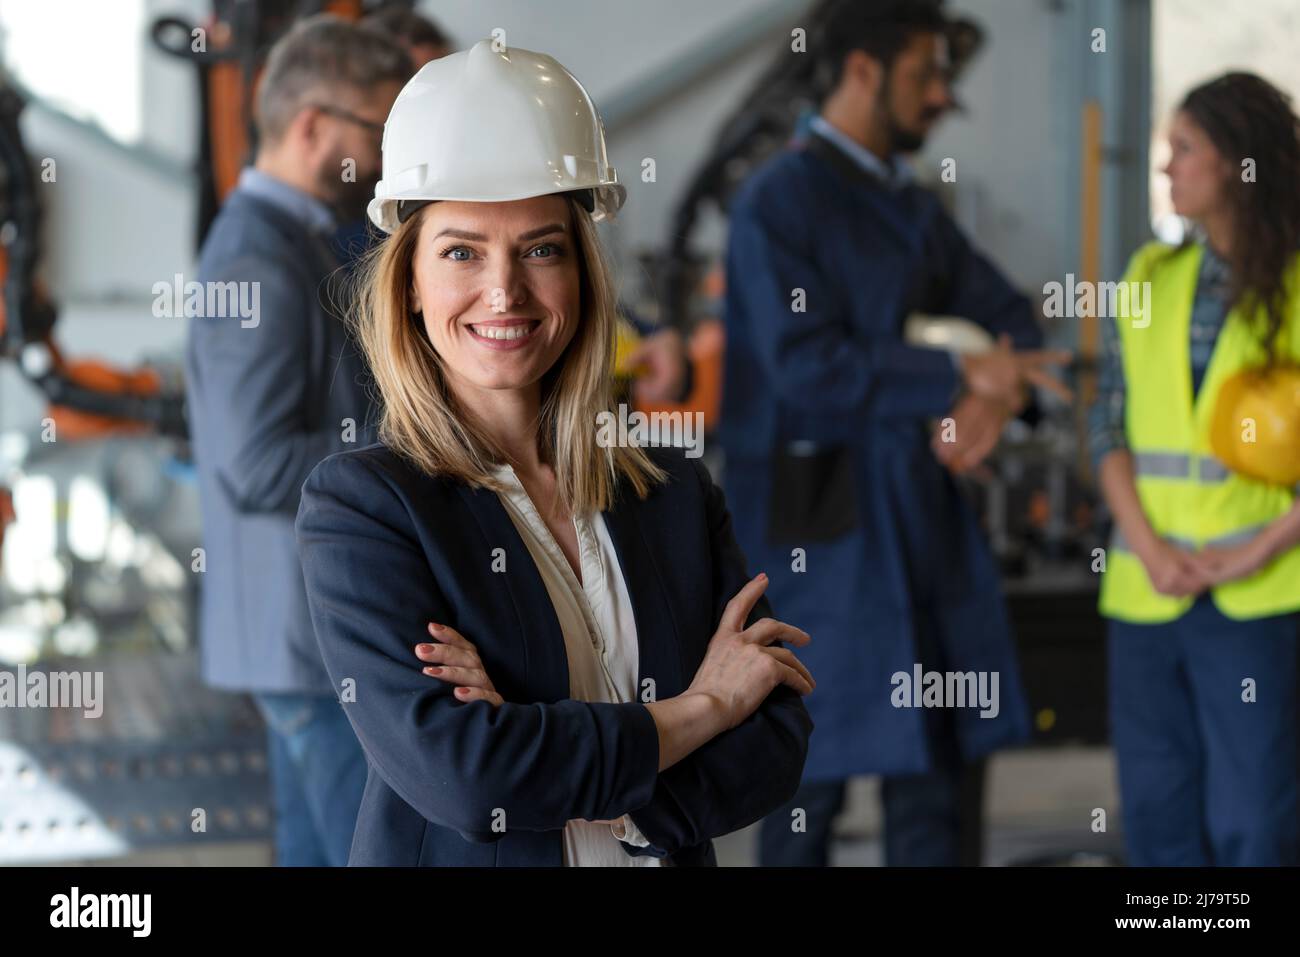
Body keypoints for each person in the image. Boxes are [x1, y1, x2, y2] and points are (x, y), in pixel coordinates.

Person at [294, 39, 814, 867]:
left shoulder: (671, 489)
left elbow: (777, 740)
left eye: (541, 248)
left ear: (581, 275)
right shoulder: (367, 509)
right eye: (462, 251)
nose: (505, 291)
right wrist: (705, 707)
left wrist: (545, 749)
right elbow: (468, 778)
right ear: (411, 287)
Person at [722, 0, 1070, 866]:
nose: (945, 97)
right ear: (864, 71)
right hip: (819, 532)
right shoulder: (778, 201)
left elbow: (1016, 323)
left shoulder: (912, 207)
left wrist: (992, 400)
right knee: (807, 774)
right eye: (927, 73)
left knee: (939, 777)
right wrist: (954, 375)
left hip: (919, 518)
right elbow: (806, 364)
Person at [184, 15, 412, 866]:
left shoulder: (296, 236)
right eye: (377, 132)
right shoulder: (258, 256)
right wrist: (410, 441)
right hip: (304, 642)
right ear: (313, 124)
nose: (387, 158)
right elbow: (253, 464)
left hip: (299, 642)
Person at [1090, 72, 1300, 867]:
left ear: (1239, 161)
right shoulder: (1147, 277)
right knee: (1159, 822)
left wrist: (1249, 553)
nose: (1166, 168)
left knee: (1257, 824)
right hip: (1148, 590)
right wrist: (1147, 545)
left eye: (1183, 149)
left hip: (1257, 592)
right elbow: (1107, 424)